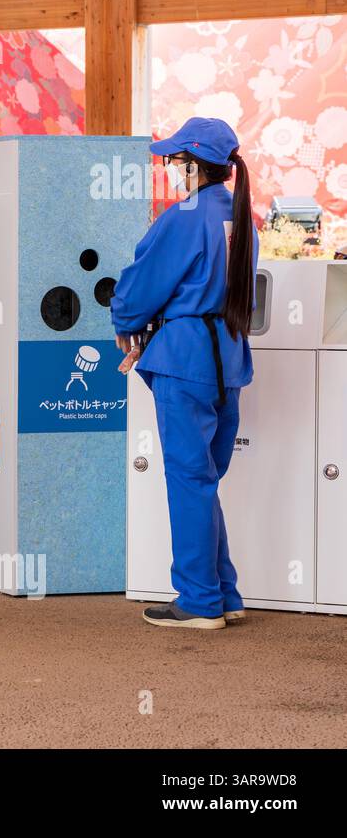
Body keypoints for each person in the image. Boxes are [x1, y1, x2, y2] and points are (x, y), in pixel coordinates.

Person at [111, 117, 257, 630]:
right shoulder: (239, 215)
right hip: (229, 359)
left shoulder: (185, 215)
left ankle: (198, 602)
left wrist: (125, 323)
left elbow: (140, 281)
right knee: (204, 480)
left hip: (186, 359)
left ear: (194, 164)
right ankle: (224, 593)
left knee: (189, 479)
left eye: (175, 161)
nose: (171, 169)